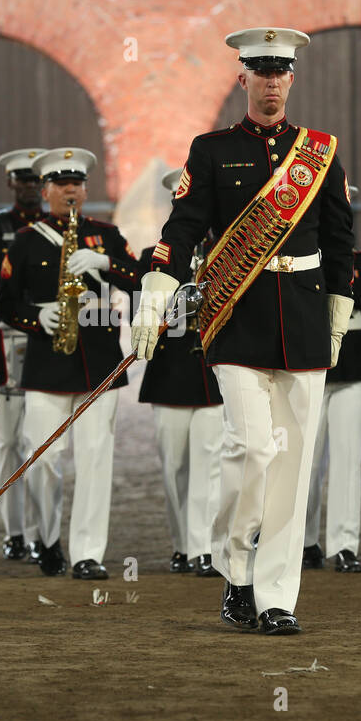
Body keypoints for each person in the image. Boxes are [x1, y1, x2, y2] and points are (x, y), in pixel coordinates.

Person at [133, 27, 354, 636]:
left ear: (293, 78)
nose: (272, 81)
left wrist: (339, 314)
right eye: (260, 71)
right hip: (236, 317)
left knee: (293, 466)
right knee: (254, 449)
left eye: (281, 71)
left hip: (305, 321)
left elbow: (340, 241)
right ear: (243, 80)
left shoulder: (322, 153)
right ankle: (236, 569)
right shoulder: (210, 149)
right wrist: (158, 283)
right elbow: (184, 224)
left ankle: (277, 597)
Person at [0, 147, 142, 580]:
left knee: (96, 459)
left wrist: (106, 262)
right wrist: (34, 316)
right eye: (61, 184)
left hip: (98, 359)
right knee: (43, 458)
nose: (70, 190)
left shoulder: (107, 233)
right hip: (46, 359)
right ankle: (47, 538)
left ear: (85, 188)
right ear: (46, 190)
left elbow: (139, 279)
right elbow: (5, 302)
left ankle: (88, 552)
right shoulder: (24, 241)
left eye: (76, 183)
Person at [137, 168, 224, 577]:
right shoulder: (153, 259)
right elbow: (132, 284)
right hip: (170, 373)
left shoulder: (225, 254)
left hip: (211, 372)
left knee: (210, 463)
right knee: (174, 467)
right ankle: (180, 543)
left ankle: (203, 548)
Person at [0, 148, 46, 562]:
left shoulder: (59, 227)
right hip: (5, 340)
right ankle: (14, 531)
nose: (30, 186)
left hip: (46, 338)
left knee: (40, 442)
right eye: (24, 179)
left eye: (36, 180)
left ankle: (38, 533)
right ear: (11, 183)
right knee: (8, 443)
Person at [303, 187, 361, 575]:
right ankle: (304, 541)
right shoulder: (298, 258)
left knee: (348, 458)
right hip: (308, 359)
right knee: (305, 459)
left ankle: (344, 544)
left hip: (351, 359)